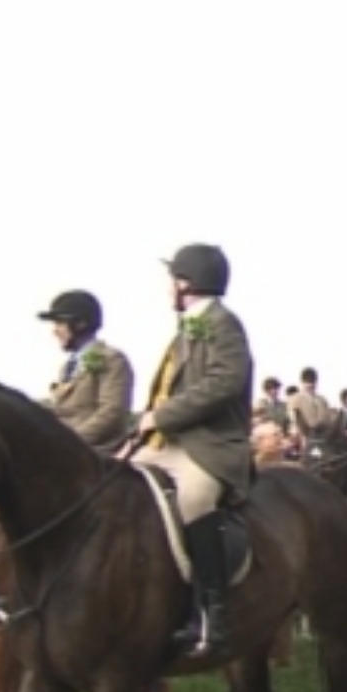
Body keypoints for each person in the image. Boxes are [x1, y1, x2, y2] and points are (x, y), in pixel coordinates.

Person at [124, 243, 254, 658]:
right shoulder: (184, 330)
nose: (167, 288)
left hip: (210, 446)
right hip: (167, 444)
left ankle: (211, 614)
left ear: (187, 283)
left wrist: (160, 417)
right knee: (116, 486)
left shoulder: (223, 324)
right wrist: (138, 434)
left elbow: (225, 382)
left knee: (194, 499)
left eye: (172, 280)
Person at [36, 290, 134, 452]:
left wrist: (70, 442)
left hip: (98, 449)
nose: (55, 331)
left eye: (59, 323)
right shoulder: (67, 367)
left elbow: (111, 412)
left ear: (80, 324)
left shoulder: (111, 358)